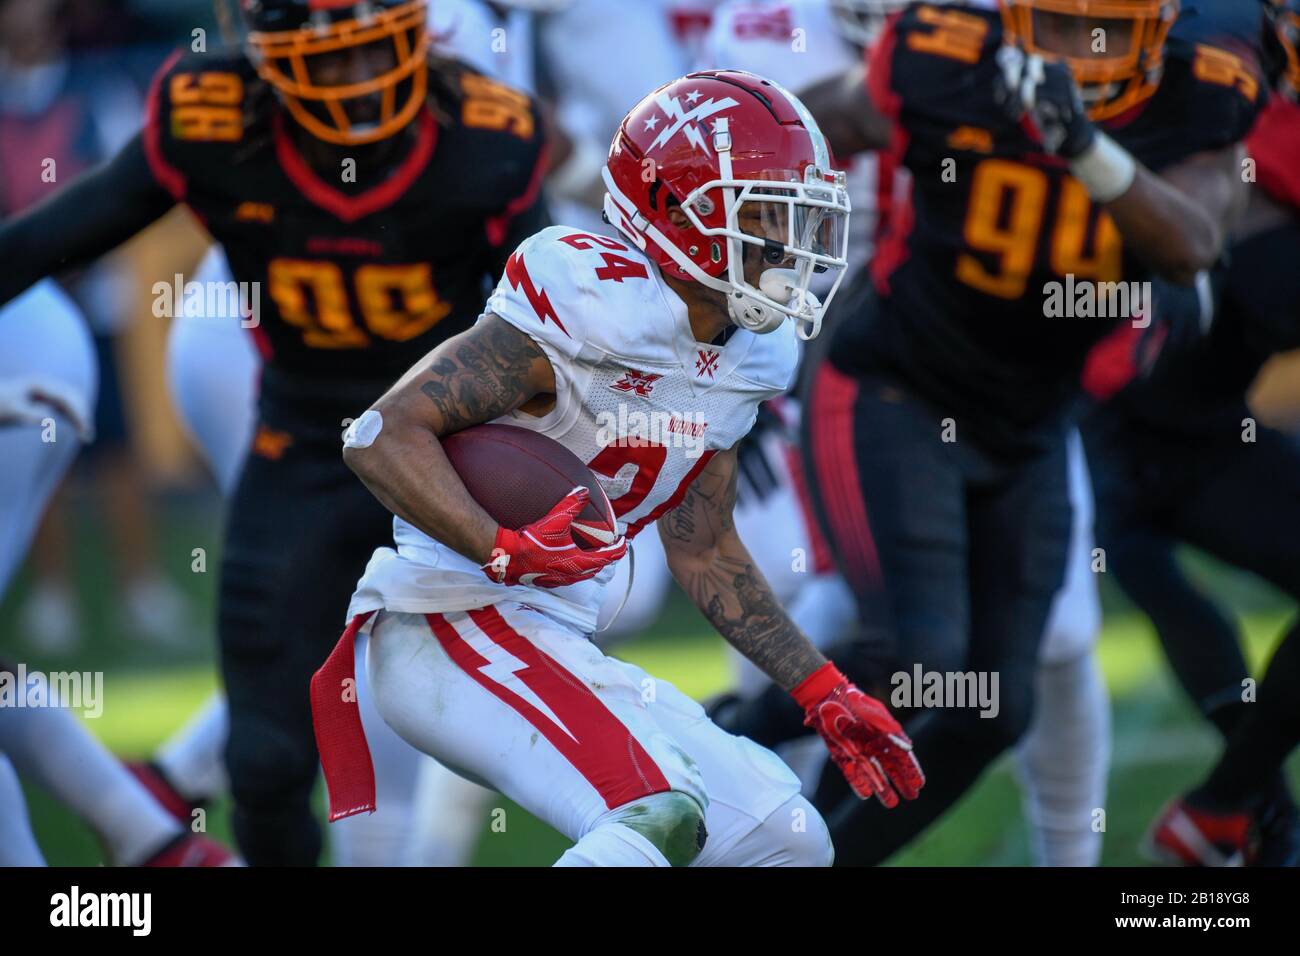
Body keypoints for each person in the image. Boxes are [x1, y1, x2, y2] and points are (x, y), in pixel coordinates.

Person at [312, 70, 925, 866]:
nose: (788, 242)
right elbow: (379, 434)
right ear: (674, 209)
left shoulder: (754, 354)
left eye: (795, 214)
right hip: (448, 618)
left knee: (787, 837)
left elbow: (705, 548)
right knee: (655, 812)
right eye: (764, 212)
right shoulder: (589, 300)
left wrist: (821, 689)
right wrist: (498, 544)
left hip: (550, 632)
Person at [0, 0, 549, 865]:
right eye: (327, 62)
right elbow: (62, 233)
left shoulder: (486, 133)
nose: (356, 86)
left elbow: (556, 323)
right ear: (266, 55)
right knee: (264, 759)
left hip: (443, 462)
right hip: (300, 446)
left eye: (372, 54)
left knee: (441, 727)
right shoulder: (216, 118)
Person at [797, 0, 1260, 864]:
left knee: (990, 711)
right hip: (897, 386)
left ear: (1158, 29)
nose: (1074, 53)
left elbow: (1193, 243)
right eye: (1051, 23)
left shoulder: (1205, 89)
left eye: (1107, 32)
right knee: (916, 657)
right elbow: (798, 126)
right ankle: (719, 740)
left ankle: (812, 853)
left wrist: (1086, 145)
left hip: (1029, 425)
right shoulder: (948, 57)